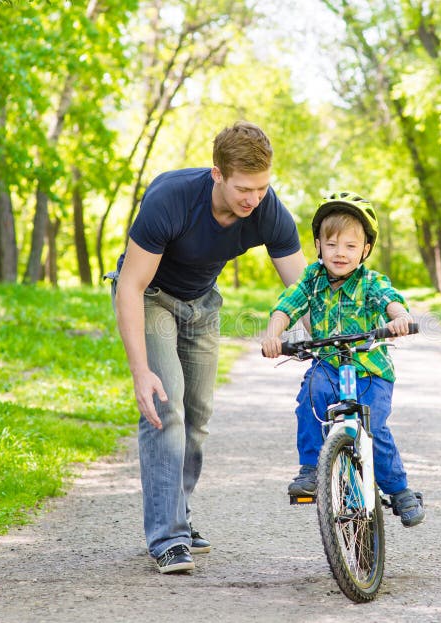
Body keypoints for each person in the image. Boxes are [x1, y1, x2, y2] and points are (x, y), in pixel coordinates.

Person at [109, 121, 307, 574]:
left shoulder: (267, 209)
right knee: (166, 405)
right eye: (244, 188)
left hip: (202, 305)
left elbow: (305, 287)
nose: (253, 199)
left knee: (197, 418)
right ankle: (167, 537)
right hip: (151, 298)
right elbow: (131, 286)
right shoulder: (172, 199)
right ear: (217, 174)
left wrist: (337, 337)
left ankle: (179, 514)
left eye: (261, 188)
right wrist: (141, 371)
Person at [260, 191, 426, 527]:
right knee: (310, 401)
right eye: (332, 244)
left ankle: (400, 490)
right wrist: (273, 334)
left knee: (374, 427)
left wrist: (399, 318)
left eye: (351, 246)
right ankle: (310, 469)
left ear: (365, 250)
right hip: (328, 365)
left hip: (369, 371)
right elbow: (286, 306)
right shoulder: (312, 280)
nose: (340, 253)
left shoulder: (371, 282)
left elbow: (391, 301)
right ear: (318, 244)